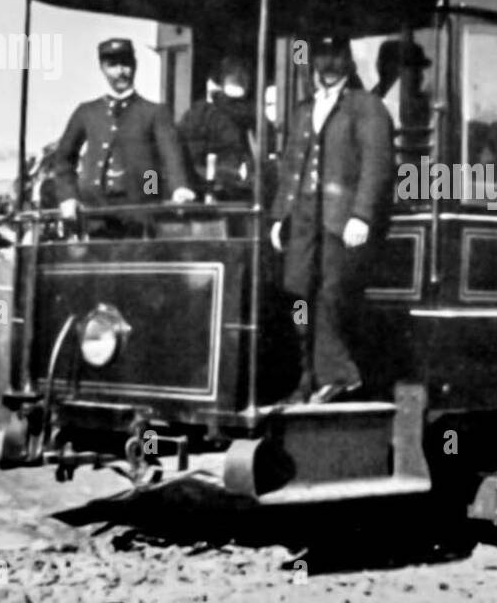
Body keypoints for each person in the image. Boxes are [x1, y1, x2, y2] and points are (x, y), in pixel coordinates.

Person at [270, 35, 394, 404]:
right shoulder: (304, 109)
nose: (327, 63)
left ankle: (339, 374)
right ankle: (307, 378)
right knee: (299, 296)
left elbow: (378, 166)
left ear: (348, 60)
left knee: (330, 296)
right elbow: (292, 168)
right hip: (304, 221)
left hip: (340, 222)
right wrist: (280, 217)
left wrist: (362, 215)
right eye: (321, 55)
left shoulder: (366, 106)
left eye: (335, 55)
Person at [53, 38, 194, 231]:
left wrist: (172, 190)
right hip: (95, 214)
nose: (121, 71)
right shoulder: (86, 112)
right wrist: (69, 197)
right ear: (102, 68)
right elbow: (63, 159)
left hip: (140, 214)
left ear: (135, 65)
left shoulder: (154, 112)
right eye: (112, 65)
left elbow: (170, 155)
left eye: (126, 64)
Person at [177, 55, 258, 198]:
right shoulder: (201, 115)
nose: (241, 80)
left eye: (243, 76)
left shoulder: (252, 117)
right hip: (215, 192)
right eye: (235, 76)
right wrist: (229, 174)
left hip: (243, 190)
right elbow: (190, 159)